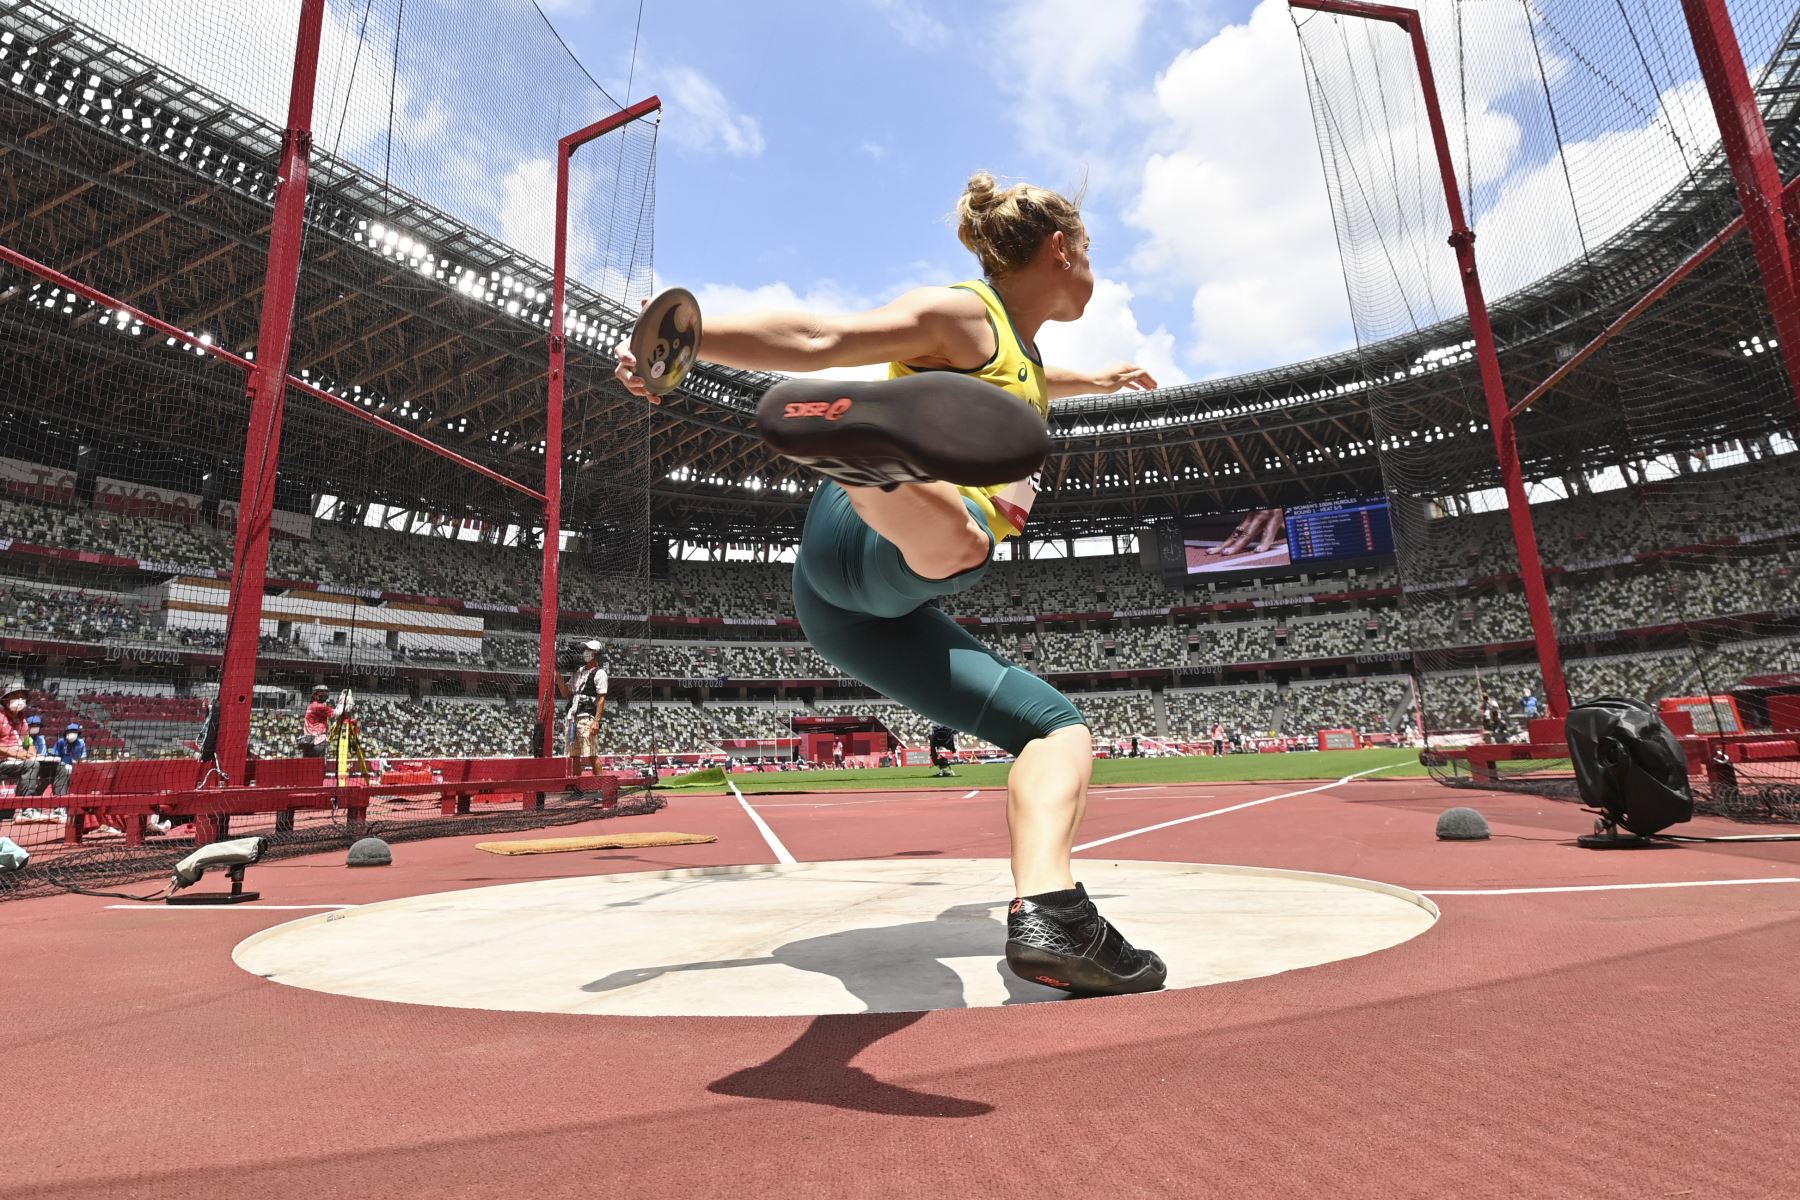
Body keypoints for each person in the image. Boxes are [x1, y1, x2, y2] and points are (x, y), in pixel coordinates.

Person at [615, 172, 1165, 996]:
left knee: (1058, 731)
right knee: (967, 542)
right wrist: (685, 342)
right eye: (1089, 252)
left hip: (857, 616)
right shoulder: (964, 314)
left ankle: (1054, 913)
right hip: (877, 540)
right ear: (1062, 248)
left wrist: (1100, 383)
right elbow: (819, 337)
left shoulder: (1019, 359)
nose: (1092, 269)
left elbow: (1035, 388)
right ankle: (877, 467)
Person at [563, 640, 607, 784]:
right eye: (585, 649)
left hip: (587, 716)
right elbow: (565, 693)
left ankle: (602, 788)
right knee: (574, 755)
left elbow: (601, 699)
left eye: (588, 650)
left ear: (595, 654)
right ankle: (577, 787)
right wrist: (558, 674)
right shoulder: (579, 672)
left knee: (591, 754)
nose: (585, 652)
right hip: (573, 715)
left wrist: (596, 721)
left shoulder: (600, 673)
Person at [300, 684, 335, 758]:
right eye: (323, 693)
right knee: (319, 765)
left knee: (306, 765)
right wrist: (344, 704)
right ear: (316, 694)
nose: (325, 695)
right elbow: (336, 713)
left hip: (307, 741)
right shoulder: (320, 706)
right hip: (319, 741)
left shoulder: (311, 705)